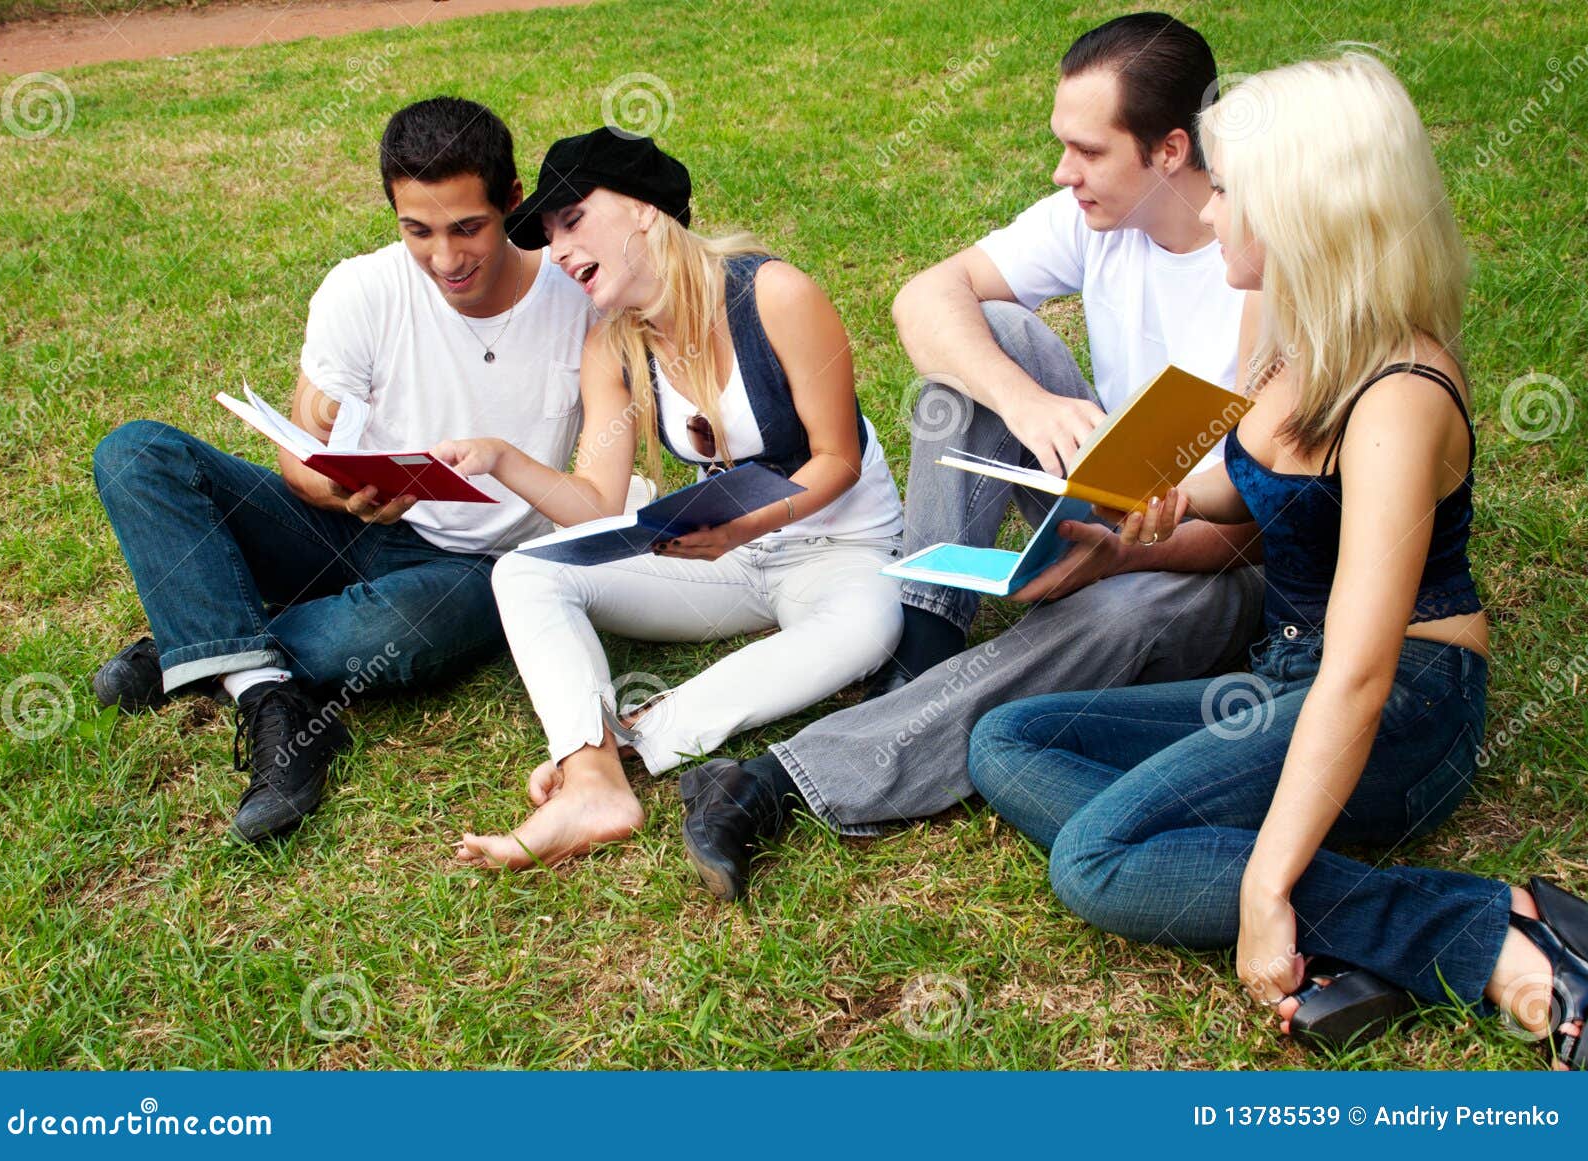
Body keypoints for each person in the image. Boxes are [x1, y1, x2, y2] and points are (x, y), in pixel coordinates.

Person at [969, 54, 1585, 1070]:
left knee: (1094, 861)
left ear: (1301, 208)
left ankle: (1493, 934)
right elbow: (1254, 483)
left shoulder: (1398, 395)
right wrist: (1153, 513)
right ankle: (1348, 913)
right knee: (1008, 740)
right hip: (1279, 679)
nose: (1207, 214)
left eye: (1229, 191)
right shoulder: (1290, 331)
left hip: (1402, 707)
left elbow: (1359, 671)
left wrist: (1261, 895)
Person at [679, 12, 1263, 903]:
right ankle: (927, 637)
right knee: (983, 339)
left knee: (1118, 616)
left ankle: (781, 782)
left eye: (1087, 150)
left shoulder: (1263, 266)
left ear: (1171, 149)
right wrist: (1026, 400)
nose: (1062, 172)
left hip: (1211, 552)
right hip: (1114, 491)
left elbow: (1258, 527)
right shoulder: (1099, 217)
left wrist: (1127, 551)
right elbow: (924, 299)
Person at [90, 98, 596, 843]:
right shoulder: (362, 289)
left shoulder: (575, 296)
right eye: (417, 230)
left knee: (395, 629)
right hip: (343, 524)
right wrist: (335, 486)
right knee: (136, 454)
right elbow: (297, 457)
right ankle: (266, 690)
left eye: (468, 228)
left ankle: (195, 644)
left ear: (512, 201)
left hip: (472, 566)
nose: (446, 259)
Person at [447, 128, 905, 872]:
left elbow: (838, 459)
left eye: (573, 220)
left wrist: (744, 524)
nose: (558, 249)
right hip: (725, 559)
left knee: (870, 626)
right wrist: (502, 460)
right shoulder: (612, 346)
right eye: (549, 234)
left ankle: (630, 741)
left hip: (841, 551)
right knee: (524, 571)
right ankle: (592, 782)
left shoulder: (774, 294)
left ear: (645, 211)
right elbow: (596, 503)